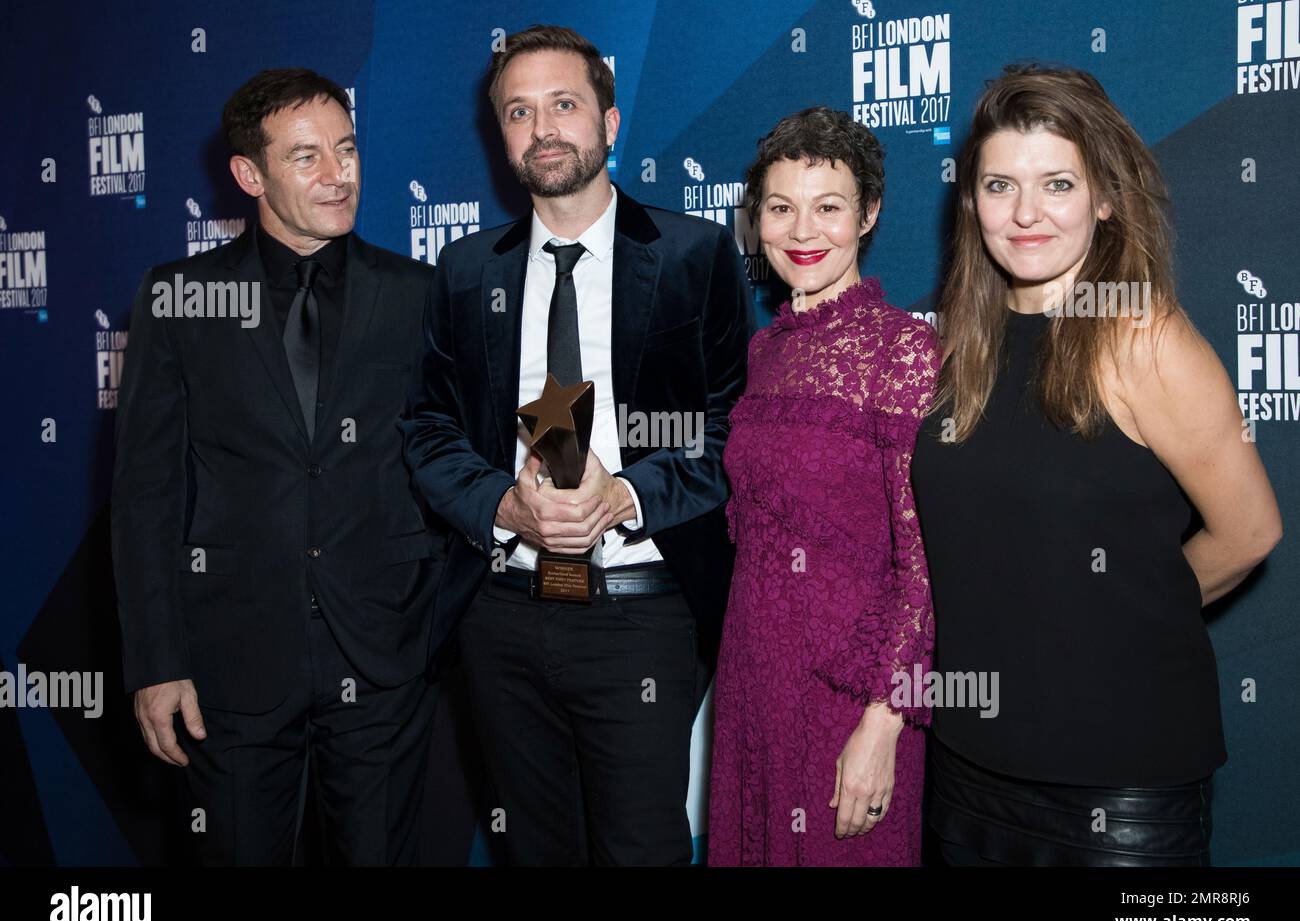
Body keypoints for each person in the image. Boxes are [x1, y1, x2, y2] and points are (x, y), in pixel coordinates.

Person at [911, 64, 1283, 866]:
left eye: (1057, 184)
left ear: (1105, 198)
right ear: (971, 202)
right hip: (965, 770)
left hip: (1119, 787)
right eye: (1000, 185)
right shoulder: (959, 348)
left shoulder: (1142, 335)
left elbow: (1249, 532)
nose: (1026, 213)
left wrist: (1112, 628)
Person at [400, 25, 752, 866]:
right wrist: (503, 505)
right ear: (501, 134)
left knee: (642, 849)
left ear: (611, 120)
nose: (543, 127)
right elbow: (427, 428)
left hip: (642, 614)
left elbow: (732, 426)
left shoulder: (693, 255)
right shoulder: (463, 271)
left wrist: (625, 494)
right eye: (519, 111)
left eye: (564, 104)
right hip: (501, 620)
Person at [112, 68, 442, 865]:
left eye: (348, 148)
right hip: (230, 665)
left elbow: (452, 461)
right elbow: (146, 492)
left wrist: (430, 628)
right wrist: (157, 664)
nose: (340, 175)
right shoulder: (179, 299)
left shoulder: (420, 293)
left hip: (383, 659)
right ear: (249, 175)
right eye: (306, 157)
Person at [708, 107, 940, 866]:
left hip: (849, 692)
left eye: (828, 206)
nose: (802, 230)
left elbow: (924, 560)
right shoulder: (765, 348)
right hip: (751, 674)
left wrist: (885, 720)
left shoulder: (905, 349)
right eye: (780, 208)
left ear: (868, 213)